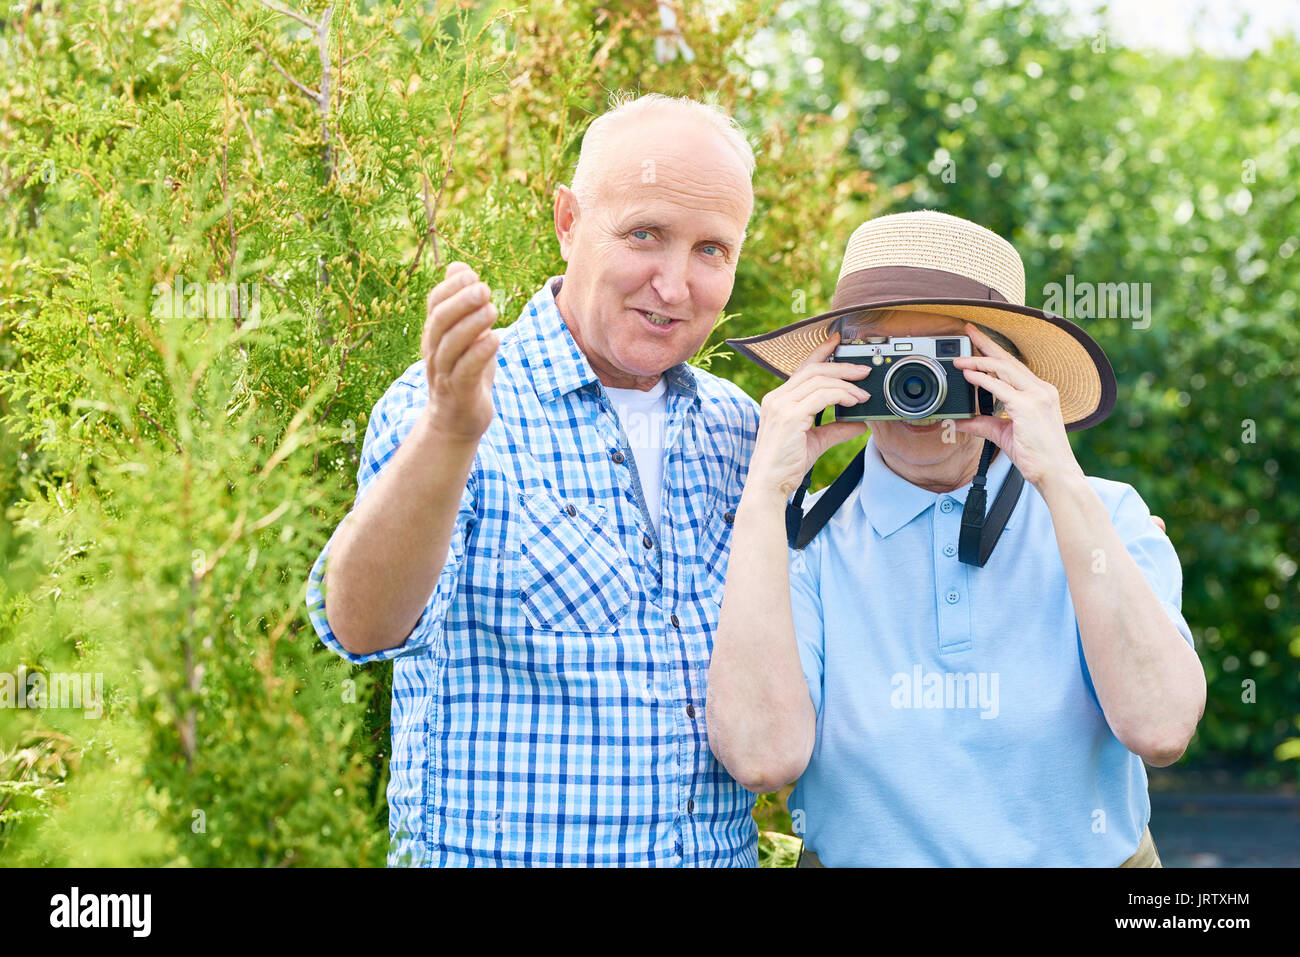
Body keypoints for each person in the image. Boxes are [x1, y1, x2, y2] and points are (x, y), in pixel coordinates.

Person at [305, 93, 763, 865]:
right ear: (568, 221)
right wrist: (450, 433)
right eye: (645, 234)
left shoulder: (740, 430)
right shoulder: (443, 405)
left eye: (711, 249)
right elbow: (360, 625)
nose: (674, 284)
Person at [706, 210, 1206, 866]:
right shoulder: (804, 538)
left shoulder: (1104, 514)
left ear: (1007, 374)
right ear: (839, 369)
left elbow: (1163, 729)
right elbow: (761, 759)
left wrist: (1060, 478)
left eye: (945, 357)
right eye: (887, 358)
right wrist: (766, 495)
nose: (917, 387)